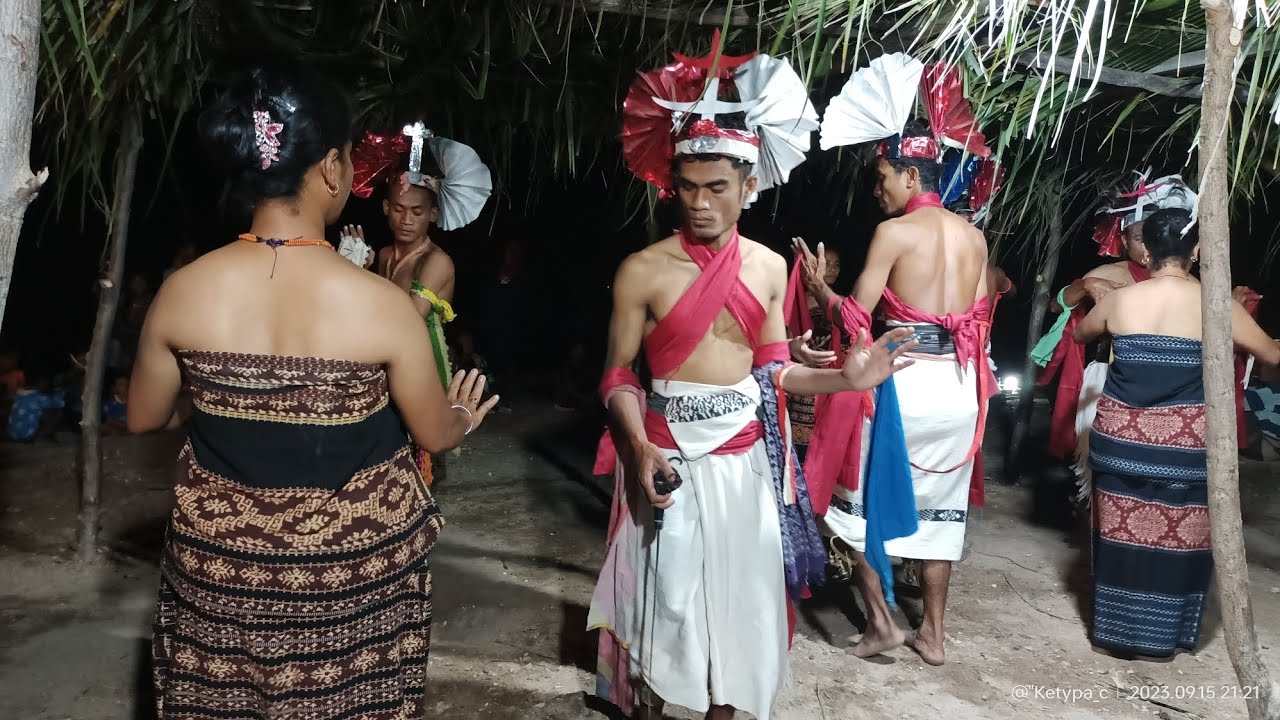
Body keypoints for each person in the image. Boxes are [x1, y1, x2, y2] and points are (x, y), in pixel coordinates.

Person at [128, 64, 498, 719]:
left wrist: (215, 390)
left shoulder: (183, 290)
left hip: (223, 577)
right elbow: (434, 434)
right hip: (351, 584)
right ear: (331, 168)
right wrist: (463, 415)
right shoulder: (381, 307)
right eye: (351, 156)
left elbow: (143, 417)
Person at [588, 39, 914, 720]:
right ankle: (654, 700)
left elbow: (774, 371)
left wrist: (848, 378)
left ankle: (725, 710)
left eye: (716, 189)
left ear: (749, 187)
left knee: (742, 601)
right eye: (687, 188)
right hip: (666, 450)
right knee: (667, 597)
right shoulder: (641, 270)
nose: (700, 204)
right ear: (670, 185)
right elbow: (618, 375)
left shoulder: (768, 269)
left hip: (745, 458)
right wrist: (639, 449)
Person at [795, 117, 992, 667]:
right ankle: (933, 635)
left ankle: (882, 622)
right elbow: (976, 321)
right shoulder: (974, 237)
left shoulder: (894, 234)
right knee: (943, 512)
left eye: (882, 176)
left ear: (911, 174)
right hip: (957, 387)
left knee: (850, 508)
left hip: (903, 384)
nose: (876, 188)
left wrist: (818, 288)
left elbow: (855, 317)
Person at [1074, 208, 1280, 657]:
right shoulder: (1217, 306)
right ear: (1198, 250)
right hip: (1185, 450)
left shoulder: (1121, 300)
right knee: (1183, 539)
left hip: (1120, 443)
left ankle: (1117, 634)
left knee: (1120, 537)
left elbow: (1081, 334)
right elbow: (1270, 353)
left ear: (1145, 249)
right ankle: (1164, 637)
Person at [345, 124, 493, 485]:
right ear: (385, 207)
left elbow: (409, 320)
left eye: (416, 210)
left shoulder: (436, 261)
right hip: (387, 361)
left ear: (433, 214)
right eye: (398, 209)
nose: (406, 219)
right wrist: (360, 269)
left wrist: (356, 278)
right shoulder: (382, 255)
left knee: (420, 460)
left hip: (425, 364)